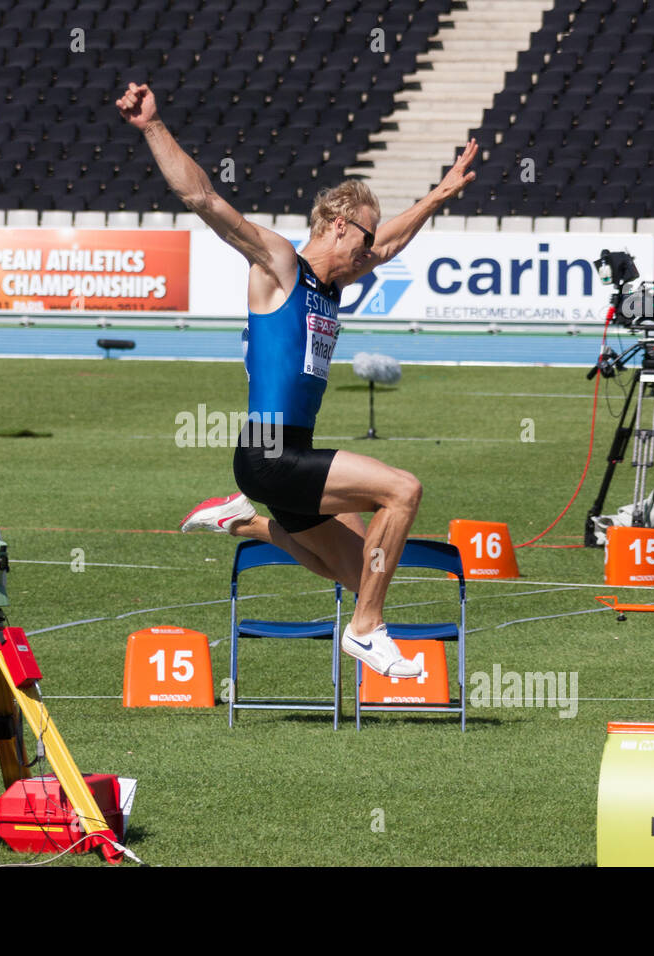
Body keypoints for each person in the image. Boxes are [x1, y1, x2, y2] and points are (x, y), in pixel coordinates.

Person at [117, 81, 478, 679]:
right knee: (403, 491)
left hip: (291, 456)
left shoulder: (334, 284)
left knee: (363, 571)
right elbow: (203, 196)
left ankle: (247, 521)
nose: (372, 250)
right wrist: (153, 125)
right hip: (268, 451)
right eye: (364, 235)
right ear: (337, 224)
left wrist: (439, 194)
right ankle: (366, 630)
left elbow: (389, 244)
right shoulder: (280, 265)